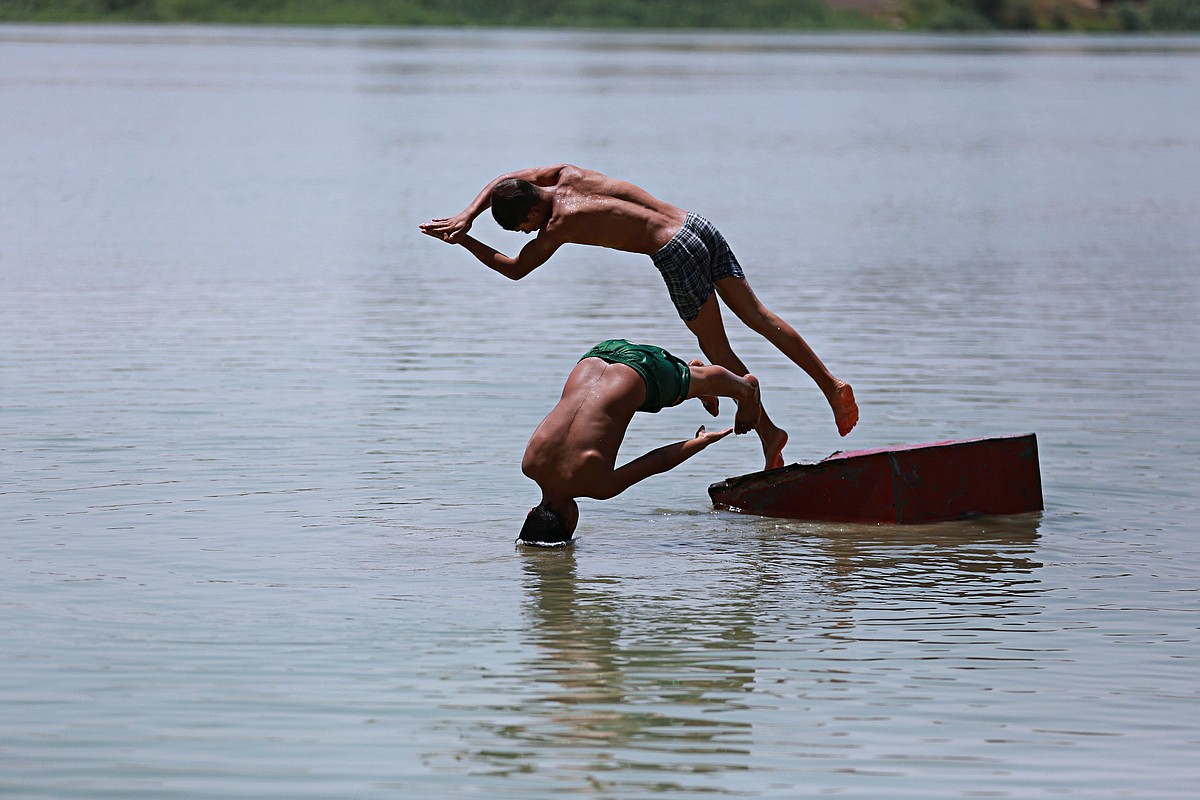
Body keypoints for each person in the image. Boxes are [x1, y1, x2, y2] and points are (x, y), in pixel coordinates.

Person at [419, 164, 858, 471]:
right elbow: (505, 180)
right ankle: (830, 385)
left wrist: (464, 240)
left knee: (717, 348)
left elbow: (515, 269)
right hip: (694, 224)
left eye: (524, 229)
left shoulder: (559, 225)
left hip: (673, 249)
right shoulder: (568, 175)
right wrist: (467, 212)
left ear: (534, 214)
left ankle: (768, 430)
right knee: (758, 315)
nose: (529, 235)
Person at [517, 339, 762, 546]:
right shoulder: (529, 463)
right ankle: (690, 378)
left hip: (642, 370)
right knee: (645, 397)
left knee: (659, 391)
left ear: (571, 525)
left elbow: (658, 460)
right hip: (596, 357)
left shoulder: (598, 487)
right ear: (531, 512)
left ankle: (743, 388)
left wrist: (700, 441)